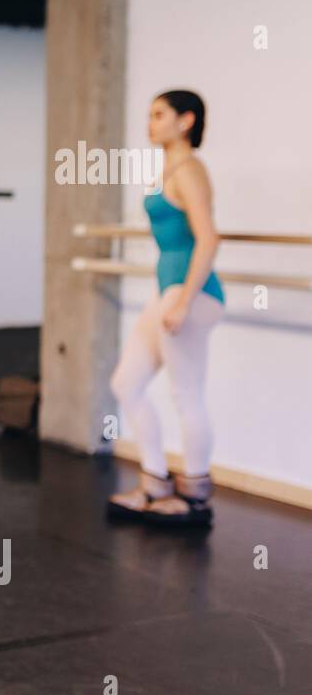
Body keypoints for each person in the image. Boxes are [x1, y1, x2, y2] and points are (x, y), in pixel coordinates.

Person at [108, 90, 225, 527]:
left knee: (186, 393)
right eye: (150, 115)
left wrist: (184, 299)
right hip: (169, 291)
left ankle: (196, 494)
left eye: (159, 115)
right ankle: (155, 480)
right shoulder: (170, 169)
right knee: (126, 383)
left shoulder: (191, 170)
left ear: (186, 120)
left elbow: (208, 238)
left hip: (190, 295)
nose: (150, 123)